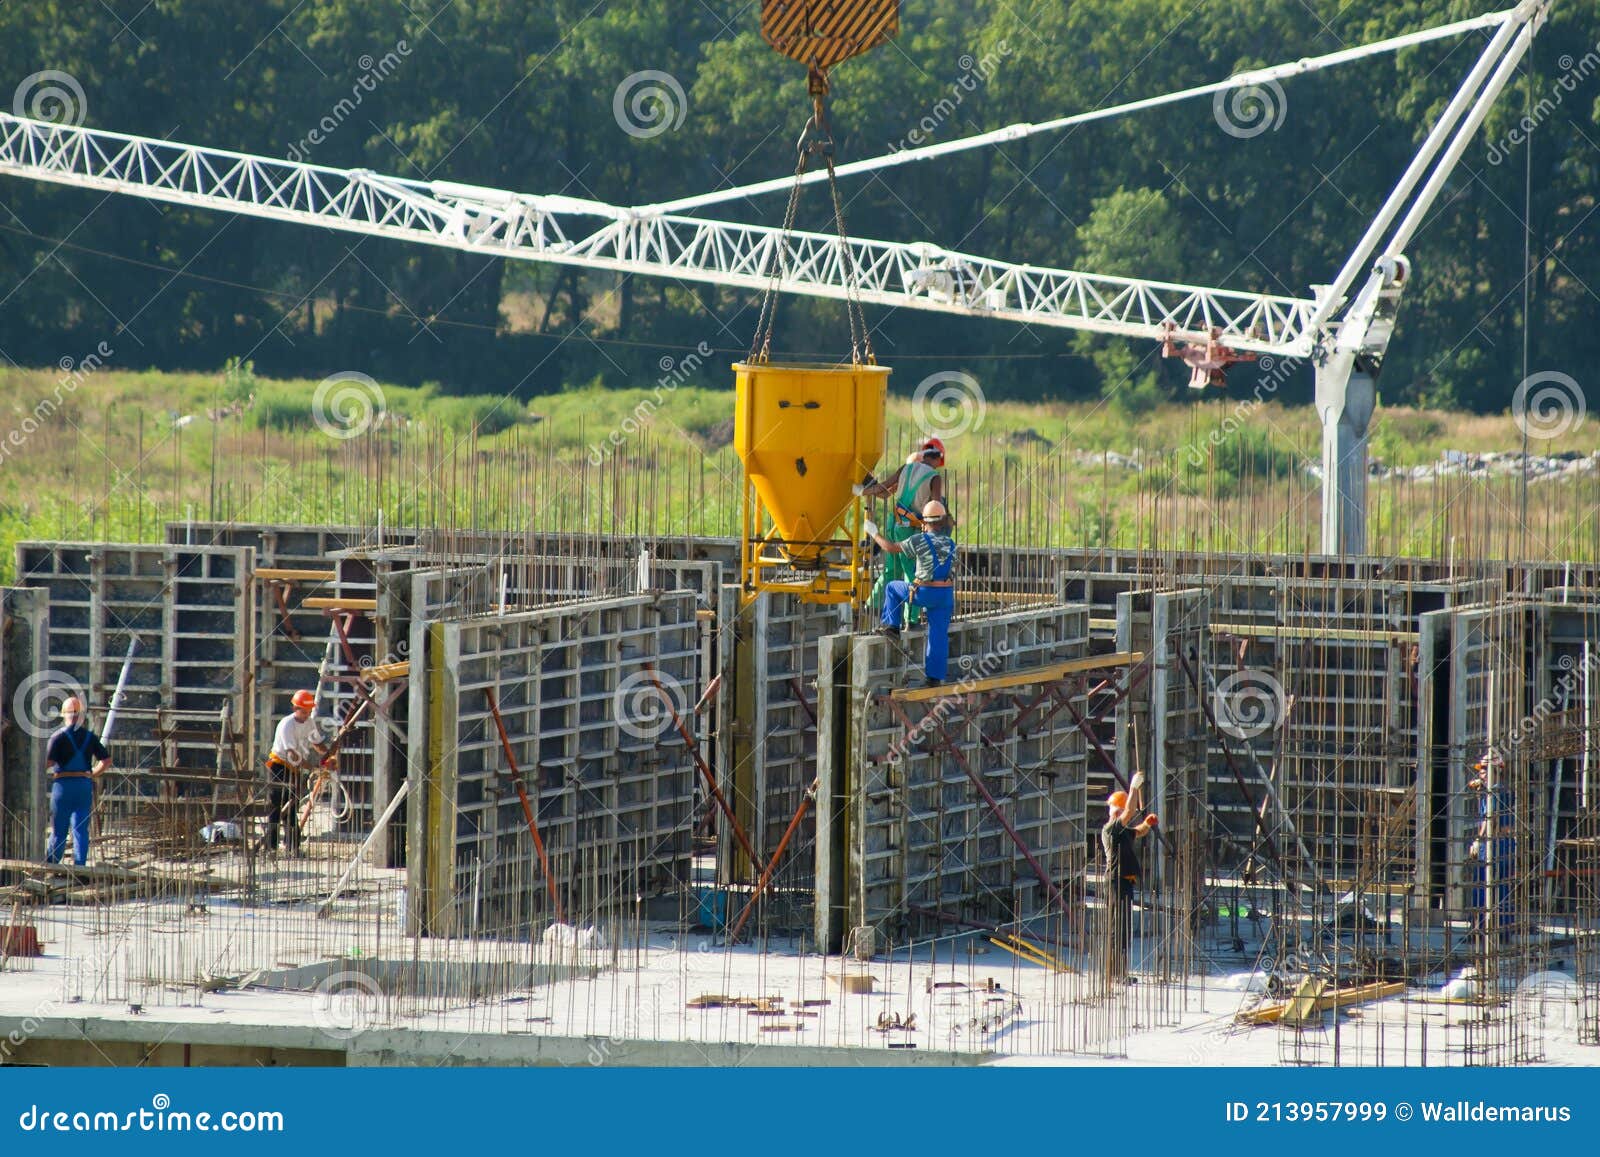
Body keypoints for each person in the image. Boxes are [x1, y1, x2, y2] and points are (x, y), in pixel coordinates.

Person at [864, 499, 956, 686]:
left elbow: (891, 548)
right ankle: (934, 678)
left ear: (925, 521)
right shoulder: (950, 543)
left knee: (892, 587)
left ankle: (892, 626)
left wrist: (874, 533)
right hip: (945, 595)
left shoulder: (919, 540)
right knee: (938, 635)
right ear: (942, 521)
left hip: (924, 592)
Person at [856, 436, 945, 626]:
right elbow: (936, 507)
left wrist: (860, 491)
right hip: (911, 530)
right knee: (913, 574)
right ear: (938, 459)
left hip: (895, 525)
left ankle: (872, 605)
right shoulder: (934, 477)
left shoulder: (907, 468)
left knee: (891, 570)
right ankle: (910, 619)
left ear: (923, 455)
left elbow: (882, 489)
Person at [1101, 772, 1158, 984]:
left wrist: (1148, 824)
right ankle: (1116, 973)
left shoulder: (1123, 830)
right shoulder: (1111, 829)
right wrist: (1134, 788)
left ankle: (1120, 971)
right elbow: (1130, 811)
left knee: (1124, 929)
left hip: (1125, 882)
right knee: (1118, 928)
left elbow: (1138, 832)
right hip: (1116, 882)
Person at [43, 696, 112, 866]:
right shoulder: (90, 737)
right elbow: (106, 760)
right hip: (83, 785)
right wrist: (93, 774)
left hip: (63, 786)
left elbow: (47, 763)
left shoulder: (57, 737)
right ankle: (80, 867)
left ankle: (52, 863)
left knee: (59, 829)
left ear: (63, 714)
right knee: (80, 829)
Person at [264, 688, 329, 856]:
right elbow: (292, 755)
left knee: (292, 808)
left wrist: (329, 755)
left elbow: (317, 743)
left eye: (309, 711)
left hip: (294, 769)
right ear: (295, 708)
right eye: (304, 711)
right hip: (278, 766)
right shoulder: (286, 724)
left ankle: (293, 847)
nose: (307, 715)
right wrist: (313, 768)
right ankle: (271, 848)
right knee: (275, 807)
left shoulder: (310, 723)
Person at [1467, 750, 1515, 943]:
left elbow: (1490, 819)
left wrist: (1478, 840)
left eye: (1485, 769)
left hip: (1493, 845)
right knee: (1502, 889)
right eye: (1480, 769)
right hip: (1505, 845)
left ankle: (1479, 932)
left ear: (1497, 771)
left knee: (1482, 887)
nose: (1481, 773)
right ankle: (1502, 933)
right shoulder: (1500, 791)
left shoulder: (1494, 793)